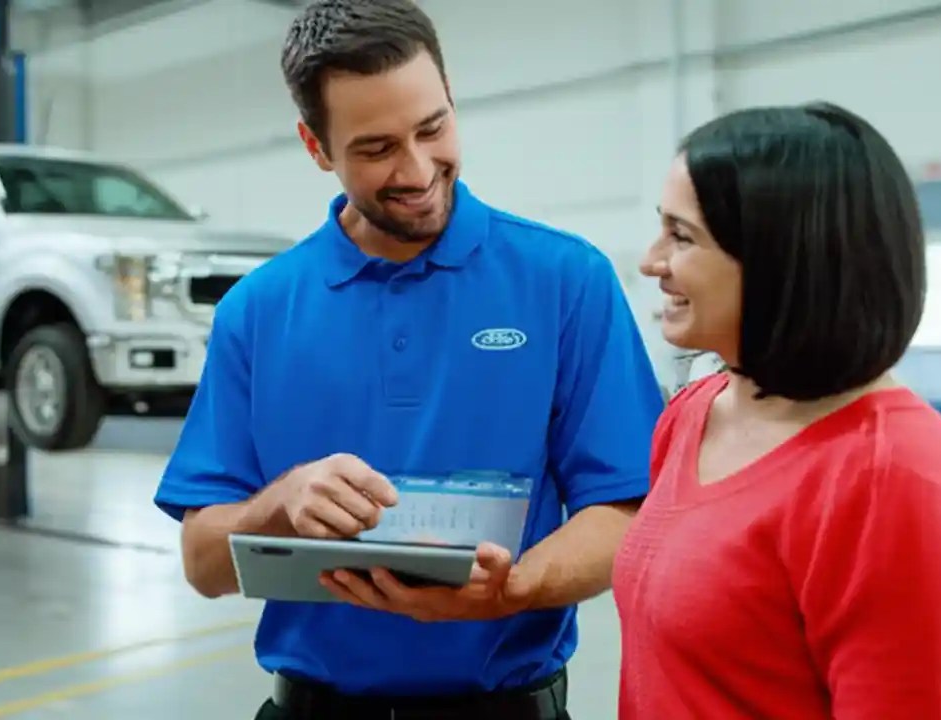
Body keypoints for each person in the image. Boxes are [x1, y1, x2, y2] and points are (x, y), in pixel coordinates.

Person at [152, 1, 665, 717]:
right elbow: (205, 564)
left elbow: (626, 512)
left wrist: (510, 589)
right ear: (316, 145)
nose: (419, 170)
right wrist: (282, 503)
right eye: (376, 148)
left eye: (434, 128)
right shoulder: (258, 311)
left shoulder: (564, 282)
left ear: (452, 100)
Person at [616, 101, 941, 719]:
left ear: (780, 259)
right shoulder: (695, 413)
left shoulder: (892, 479)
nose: (650, 261)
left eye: (681, 236)